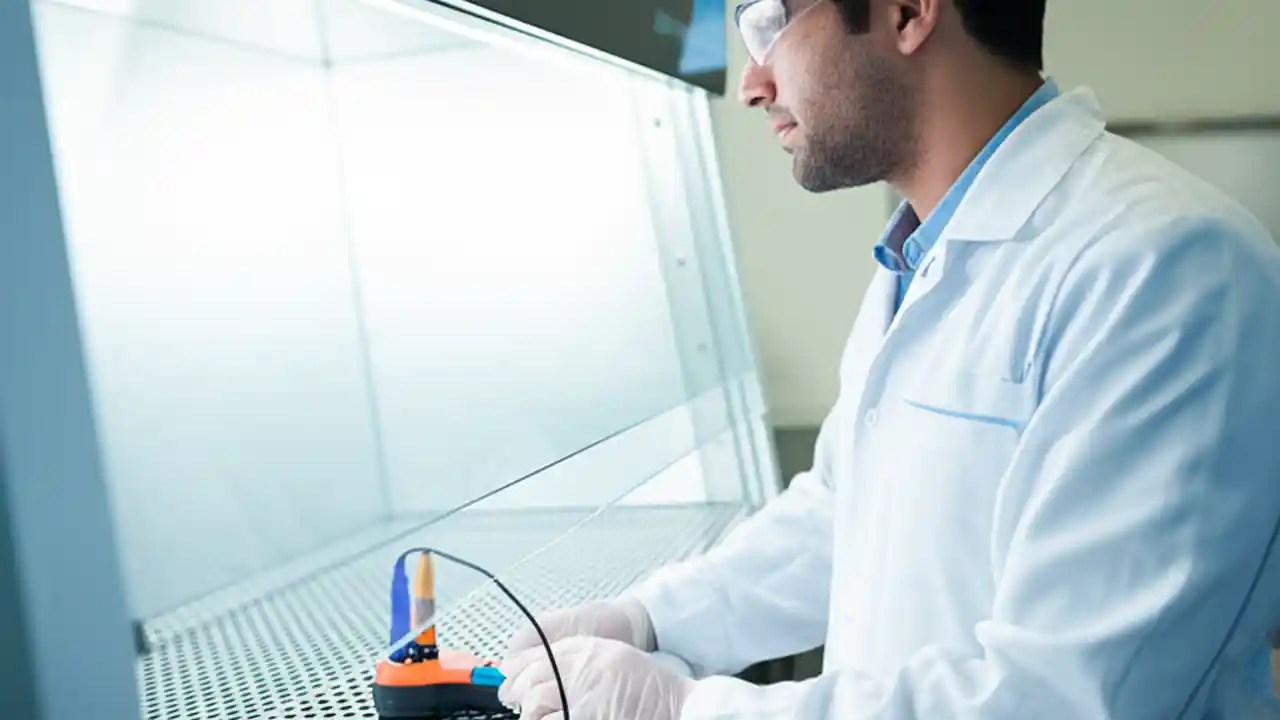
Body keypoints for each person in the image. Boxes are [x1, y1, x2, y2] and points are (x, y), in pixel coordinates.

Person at [498, 0, 1280, 717]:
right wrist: (652, 618)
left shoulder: (1164, 265)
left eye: (769, 23)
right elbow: (846, 510)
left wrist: (689, 708)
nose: (751, 84)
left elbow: (1061, 697)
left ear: (907, 12)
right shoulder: (919, 253)